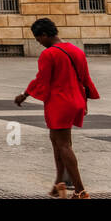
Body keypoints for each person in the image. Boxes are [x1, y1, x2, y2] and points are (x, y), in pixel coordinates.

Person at [15, 17, 100, 199]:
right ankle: (59, 183)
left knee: (64, 145)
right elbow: (85, 79)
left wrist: (24, 94)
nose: (39, 43)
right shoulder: (76, 51)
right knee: (56, 141)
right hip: (76, 100)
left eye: (39, 39)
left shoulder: (49, 54)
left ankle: (80, 190)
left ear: (44, 35)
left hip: (59, 103)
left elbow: (41, 80)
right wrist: (85, 102)